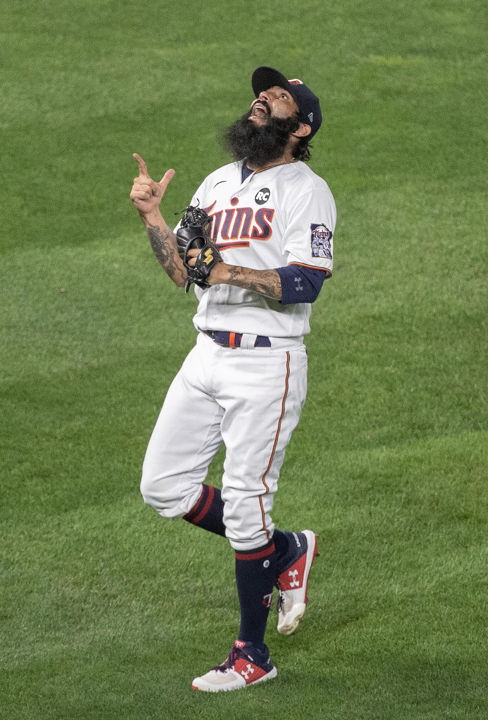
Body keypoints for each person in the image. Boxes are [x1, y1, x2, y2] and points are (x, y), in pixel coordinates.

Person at [129, 66, 336, 692]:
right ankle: (288, 551)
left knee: (245, 506)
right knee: (163, 486)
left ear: (299, 128)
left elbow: (307, 281)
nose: (260, 100)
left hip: (266, 362)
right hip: (205, 355)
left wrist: (228, 274)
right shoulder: (218, 182)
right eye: (261, 94)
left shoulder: (308, 190)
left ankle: (252, 656)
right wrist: (153, 217)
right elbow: (184, 270)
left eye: (276, 100)